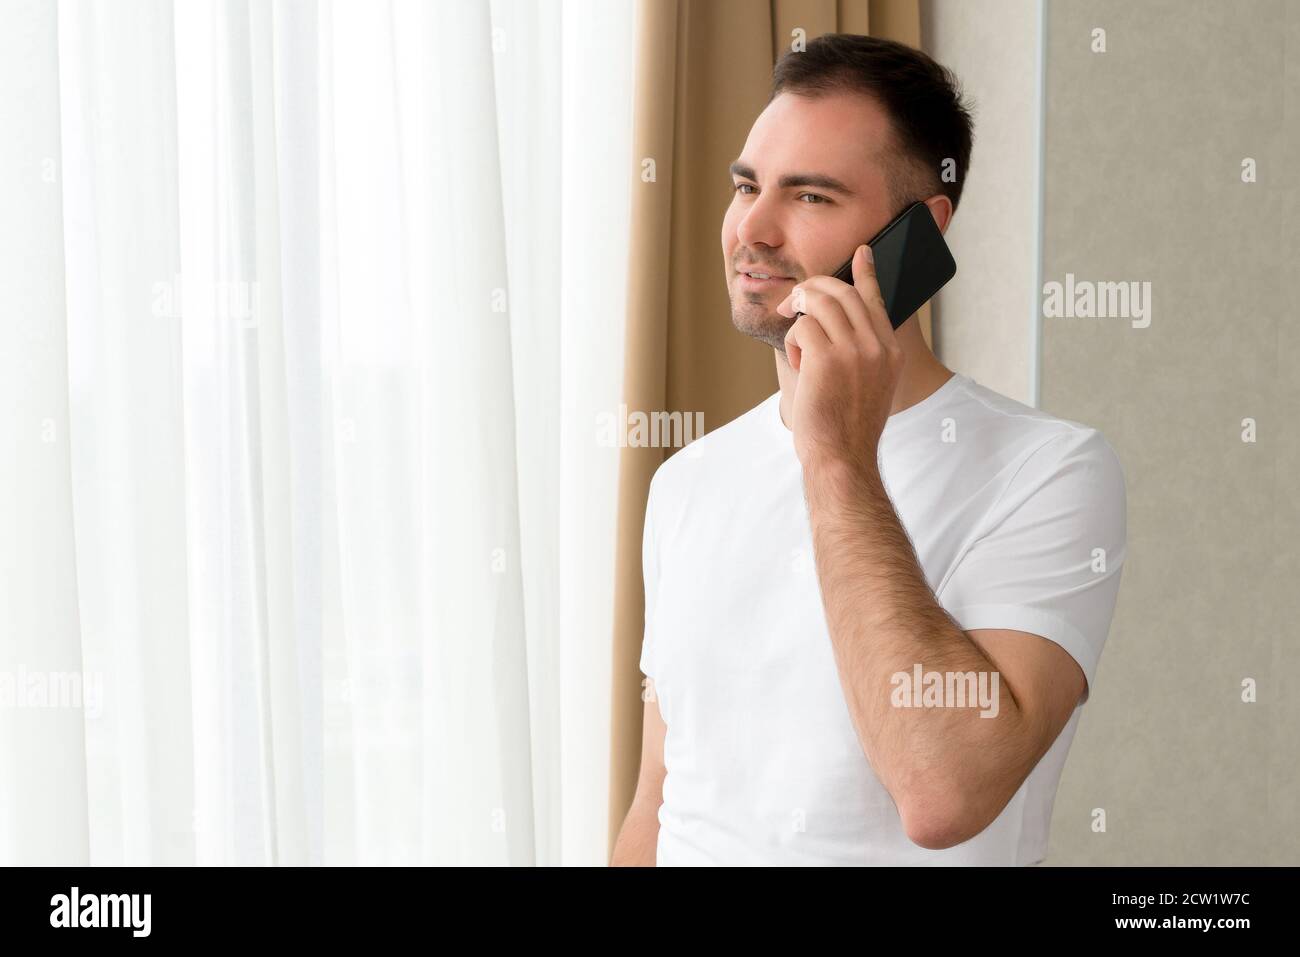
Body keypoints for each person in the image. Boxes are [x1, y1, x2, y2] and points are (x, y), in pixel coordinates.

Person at [611, 33, 1126, 866]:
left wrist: (837, 457)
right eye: (747, 186)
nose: (755, 228)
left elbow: (945, 793)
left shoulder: (1050, 472)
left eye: (811, 197)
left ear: (918, 233)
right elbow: (659, 802)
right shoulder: (686, 482)